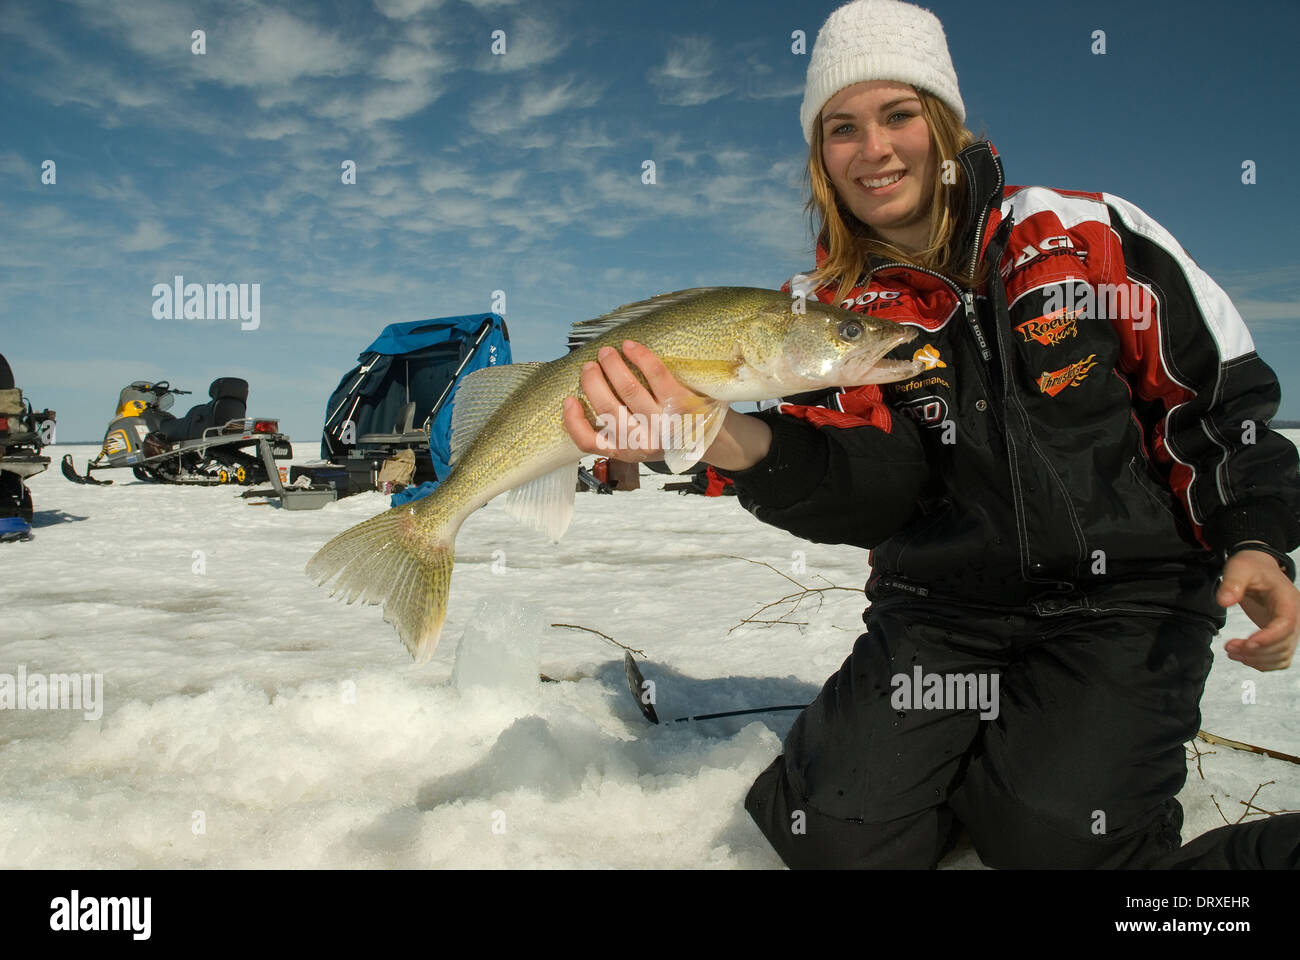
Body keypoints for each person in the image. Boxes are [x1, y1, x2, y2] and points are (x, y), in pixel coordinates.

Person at [562, 0, 1300, 868]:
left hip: (1124, 605)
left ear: (943, 124)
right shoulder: (833, 314)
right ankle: (998, 753)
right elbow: (874, 488)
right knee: (831, 835)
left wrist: (1253, 538)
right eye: (842, 128)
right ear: (820, 157)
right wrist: (727, 437)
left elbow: (1217, 405)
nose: (873, 149)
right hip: (942, 617)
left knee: (1054, 836)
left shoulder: (1086, 235)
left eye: (898, 115)